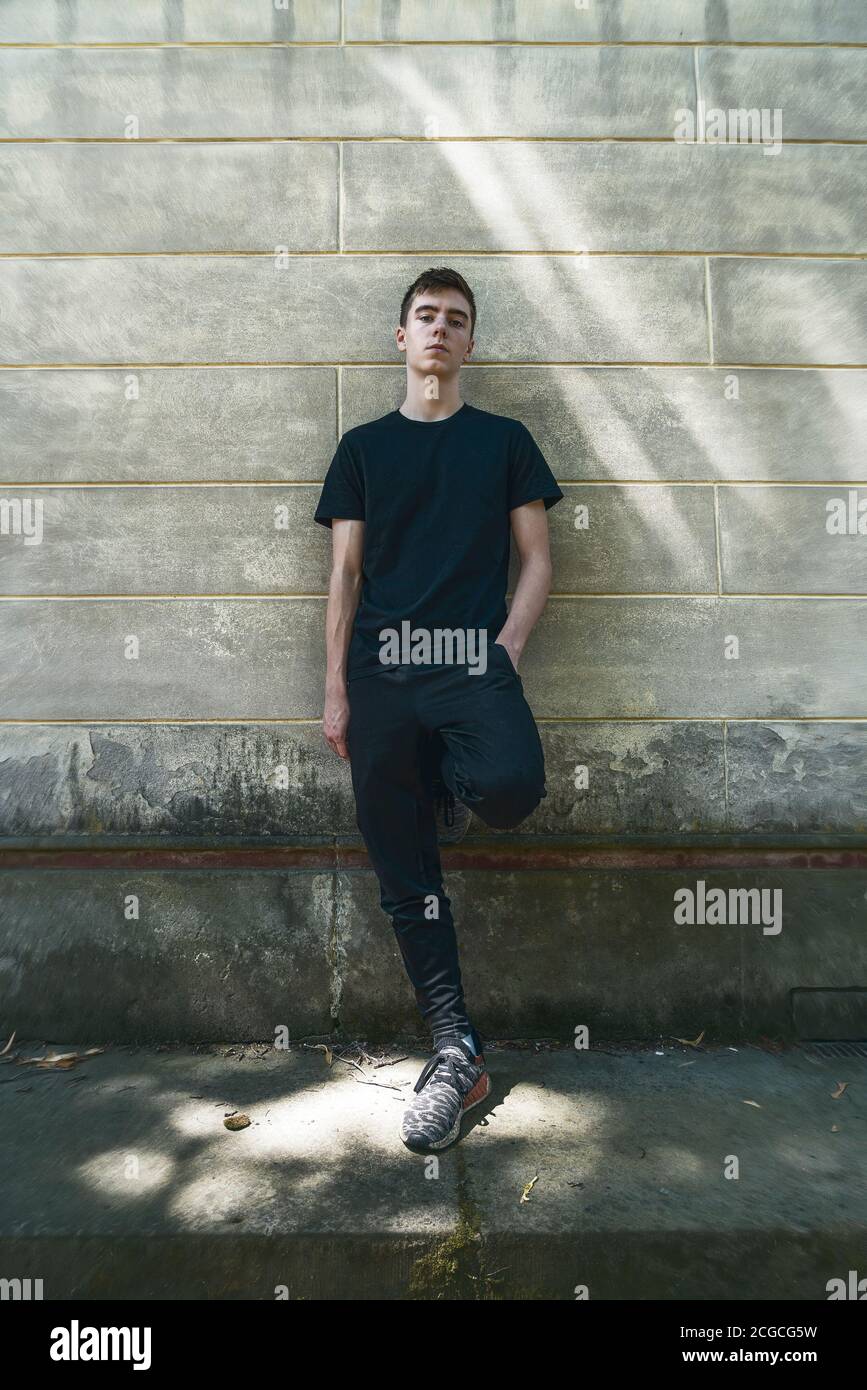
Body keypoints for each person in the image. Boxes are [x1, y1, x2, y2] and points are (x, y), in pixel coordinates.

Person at [314, 267, 563, 1152]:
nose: (440, 330)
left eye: (456, 320)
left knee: (509, 786)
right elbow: (344, 574)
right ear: (401, 336)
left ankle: (448, 782)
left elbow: (535, 558)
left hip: (470, 664)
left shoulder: (503, 441)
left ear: (469, 343)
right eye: (425, 316)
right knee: (404, 875)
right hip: (381, 671)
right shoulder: (362, 448)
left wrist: (505, 648)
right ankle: (455, 1051)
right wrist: (337, 685)